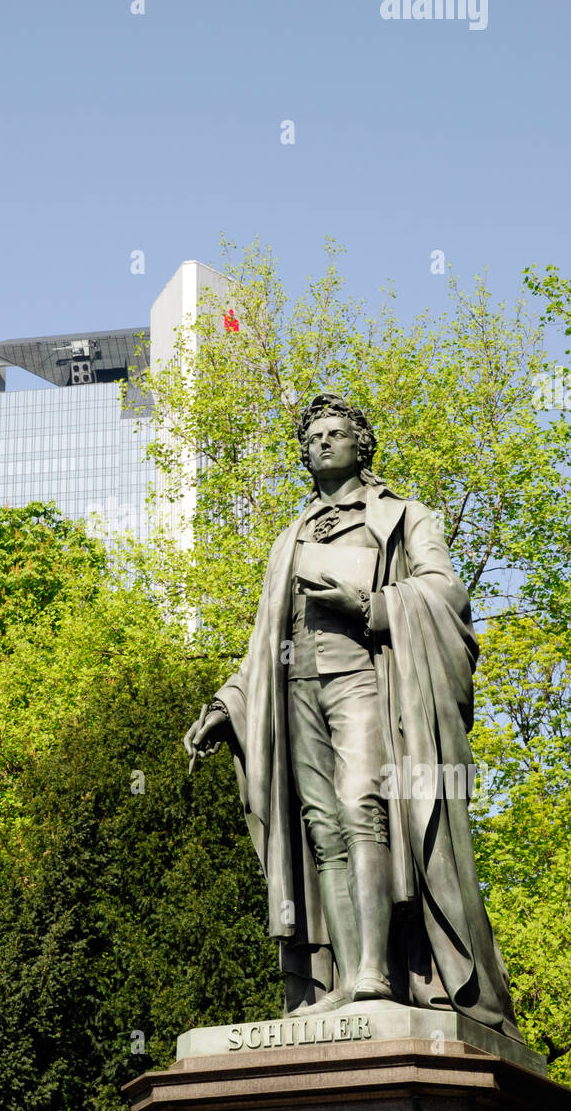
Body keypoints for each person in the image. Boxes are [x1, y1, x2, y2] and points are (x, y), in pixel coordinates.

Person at [184, 393, 521, 1039]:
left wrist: (367, 603)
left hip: (365, 681)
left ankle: (374, 973)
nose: (321, 444)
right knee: (322, 828)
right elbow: (263, 643)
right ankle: (343, 979)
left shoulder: (402, 517)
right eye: (312, 437)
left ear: (360, 445)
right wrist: (227, 705)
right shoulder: (288, 539)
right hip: (297, 692)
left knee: (363, 804)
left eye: (335, 434)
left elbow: (445, 595)